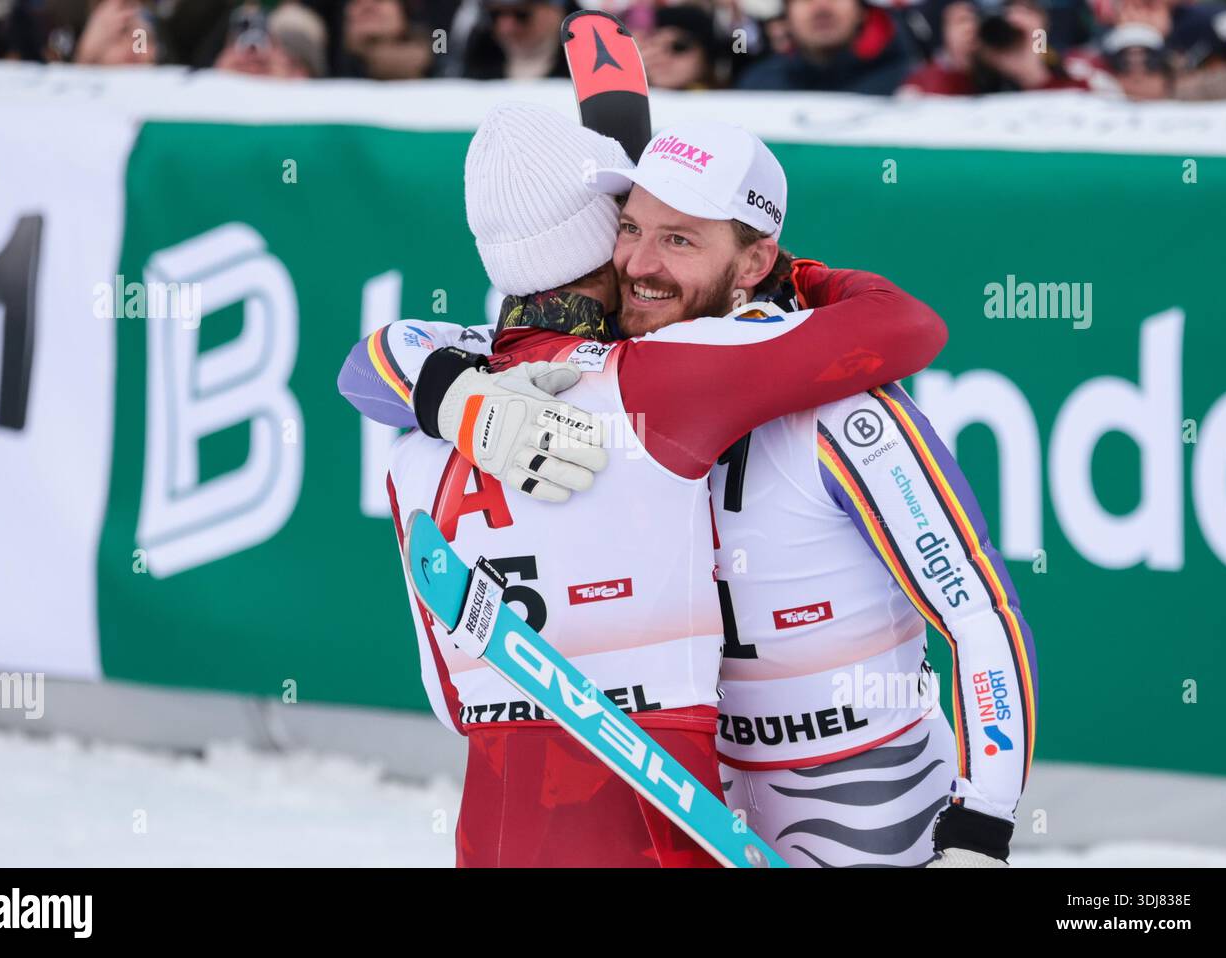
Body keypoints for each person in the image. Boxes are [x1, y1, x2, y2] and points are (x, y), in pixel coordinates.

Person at [356, 117, 1037, 867]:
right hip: (701, 808)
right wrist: (450, 397)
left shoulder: (843, 409)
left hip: (877, 801)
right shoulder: (584, 373)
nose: (640, 266)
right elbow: (381, 353)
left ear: (755, 261)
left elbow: (980, 612)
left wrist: (982, 827)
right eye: (628, 228)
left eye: (679, 240)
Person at [737, 0, 915, 95]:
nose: (822, 6)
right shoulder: (757, 87)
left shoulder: (907, 85)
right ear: (786, 16)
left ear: (862, 11)